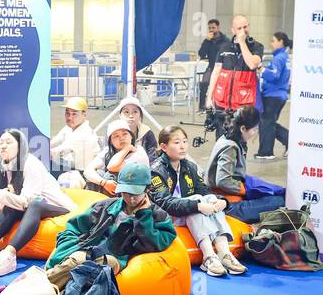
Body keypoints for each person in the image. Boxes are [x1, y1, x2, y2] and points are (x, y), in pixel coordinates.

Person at [149, 125, 246, 277]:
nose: (182, 147)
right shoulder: (155, 171)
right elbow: (166, 203)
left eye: (184, 142)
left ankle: (224, 254)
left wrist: (221, 202)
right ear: (163, 146)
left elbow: (204, 191)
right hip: (165, 216)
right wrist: (198, 205)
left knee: (210, 198)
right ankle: (208, 256)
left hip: (186, 212)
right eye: (177, 142)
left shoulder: (189, 166)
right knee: (196, 201)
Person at [47, 159, 177, 270]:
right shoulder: (105, 206)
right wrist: (69, 245)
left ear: (147, 189)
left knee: (86, 266)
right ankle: (48, 290)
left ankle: (46, 288)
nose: (131, 198)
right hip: (88, 249)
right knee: (72, 262)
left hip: (113, 258)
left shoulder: (159, 217)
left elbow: (152, 244)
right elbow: (73, 227)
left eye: (135, 193)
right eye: (126, 192)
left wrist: (143, 215)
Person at [0, 128, 73, 276]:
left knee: (34, 205)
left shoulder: (31, 163)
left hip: (56, 206)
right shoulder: (3, 166)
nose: (3, 146)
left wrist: (2, 195)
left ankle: (9, 254)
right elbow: (9, 203)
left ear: (20, 145)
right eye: (1, 143)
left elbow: (29, 201)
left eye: (9, 142)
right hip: (30, 206)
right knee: (11, 206)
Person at [206, 105, 281, 223]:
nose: (256, 132)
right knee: (279, 201)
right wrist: (245, 189)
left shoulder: (228, 138)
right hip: (228, 205)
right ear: (243, 128)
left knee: (272, 192)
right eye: (254, 129)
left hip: (226, 198)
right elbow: (223, 180)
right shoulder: (230, 147)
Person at [210, 13, 263, 113]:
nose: (243, 31)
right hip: (222, 103)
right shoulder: (224, 47)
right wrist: (209, 97)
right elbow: (216, 71)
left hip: (245, 104)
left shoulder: (257, 46)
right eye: (239, 28)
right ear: (233, 30)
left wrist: (242, 42)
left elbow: (252, 64)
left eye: (245, 27)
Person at [85, 119, 150, 195]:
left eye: (125, 134)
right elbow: (88, 171)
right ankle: (93, 203)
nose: (121, 138)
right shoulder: (108, 151)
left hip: (136, 191)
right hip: (118, 191)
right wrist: (103, 182)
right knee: (97, 175)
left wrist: (127, 148)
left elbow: (112, 167)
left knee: (110, 176)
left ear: (131, 137)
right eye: (116, 136)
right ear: (111, 142)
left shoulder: (139, 152)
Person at [255, 32, 291, 161]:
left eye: (273, 40)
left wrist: (262, 69)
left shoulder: (279, 58)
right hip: (279, 95)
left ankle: (266, 152)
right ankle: (288, 140)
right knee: (269, 123)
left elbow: (274, 76)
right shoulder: (284, 57)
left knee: (266, 123)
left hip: (273, 95)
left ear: (280, 41)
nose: (271, 43)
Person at [49, 97, 101, 184]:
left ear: (84, 115)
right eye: (67, 113)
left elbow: (53, 153)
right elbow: (53, 142)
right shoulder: (70, 127)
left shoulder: (83, 134)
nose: (70, 117)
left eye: (74, 114)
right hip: (72, 166)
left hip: (83, 175)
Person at [198, 18, 229, 112]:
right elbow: (201, 54)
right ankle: (202, 106)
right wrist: (207, 41)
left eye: (213, 28)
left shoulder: (225, 40)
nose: (211, 30)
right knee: (203, 83)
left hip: (223, 68)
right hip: (211, 66)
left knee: (222, 87)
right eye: (209, 28)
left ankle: (221, 106)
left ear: (218, 28)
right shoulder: (208, 40)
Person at [116, 94, 159, 160]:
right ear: (120, 115)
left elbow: (152, 157)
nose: (131, 116)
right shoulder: (113, 133)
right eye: (126, 112)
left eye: (135, 112)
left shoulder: (147, 133)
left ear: (140, 115)